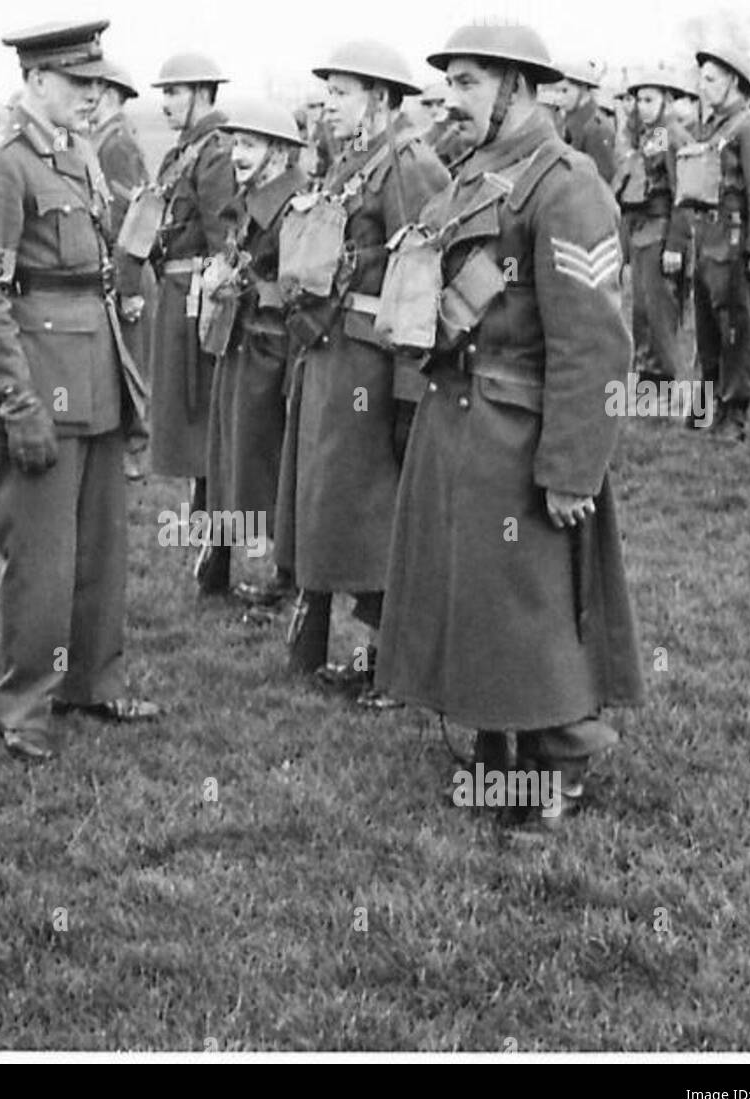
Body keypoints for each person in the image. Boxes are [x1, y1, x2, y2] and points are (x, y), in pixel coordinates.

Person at [376, 22, 645, 831]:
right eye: (449, 82)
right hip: (455, 419)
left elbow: (594, 343)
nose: (449, 99)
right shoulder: (468, 177)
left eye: (466, 82)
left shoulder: (567, 183)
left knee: (529, 608)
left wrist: (572, 467)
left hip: (520, 433)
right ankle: (500, 747)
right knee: (475, 598)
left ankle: (562, 759)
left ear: (517, 89)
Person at [0, 21, 157, 765]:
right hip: (42, 378)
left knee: (101, 543)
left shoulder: (76, 158)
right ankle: (25, 702)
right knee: (42, 554)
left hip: (97, 372)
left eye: (98, 84)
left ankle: (91, 680)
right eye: (80, 84)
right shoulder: (1, 167)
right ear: (37, 82)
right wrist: (18, 401)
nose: (93, 96)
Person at [275, 39, 449, 702]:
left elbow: (421, 283)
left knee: (378, 517)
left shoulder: (410, 165)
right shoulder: (352, 161)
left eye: (341, 92)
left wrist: (409, 397)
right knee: (332, 504)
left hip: (375, 369)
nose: (328, 103)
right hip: (329, 354)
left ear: (378, 97)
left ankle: (394, 662)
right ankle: (347, 642)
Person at [199, 99, 307, 608]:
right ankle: (233, 552)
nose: (238, 154)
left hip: (275, 348)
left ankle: (282, 573)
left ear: (281, 153)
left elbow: (303, 286)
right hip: (240, 341)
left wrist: (245, 288)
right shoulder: (250, 200)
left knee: (270, 459)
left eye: (250, 144)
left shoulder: (296, 206)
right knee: (234, 452)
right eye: (235, 143)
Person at [147, 53, 238, 593]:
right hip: (178, 297)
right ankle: (206, 545)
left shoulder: (215, 152)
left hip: (201, 304)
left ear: (202, 92)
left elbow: (225, 242)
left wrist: (212, 311)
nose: (165, 102)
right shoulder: (187, 150)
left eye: (175, 92)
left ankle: (217, 552)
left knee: (210, 431)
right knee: (196, 430)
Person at [676, 45, 750, 442]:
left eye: (712, 80)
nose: (703, 88)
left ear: (735, 81)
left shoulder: (748, 127)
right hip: (707, 241)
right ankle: (708, 405)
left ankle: (735, 413)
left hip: (734, 245)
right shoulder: (717, 127)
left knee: (736, 328)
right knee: (708, 328)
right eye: (701, 80)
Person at [90, 59, 156, 476]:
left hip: (127, 267)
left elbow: (133, 219)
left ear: (110, 94)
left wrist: (129, 285)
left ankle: (134, 453)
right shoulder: (109, 138)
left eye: (92, 90)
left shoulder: (116, 144)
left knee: (131, 364)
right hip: (119, 266)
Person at [616, 65, 693, 386]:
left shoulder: (673, 137)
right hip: (641, 229)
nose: (642, 106)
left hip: (661, 230)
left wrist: (675, 245)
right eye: (639, 99)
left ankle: (670, 382)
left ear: (667, 100)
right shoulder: (650, 135)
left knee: (660, 311)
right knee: (643, 310)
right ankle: (648, 378)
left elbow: (684, 195)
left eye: (649, 99)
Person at [553, 58, 617, 184]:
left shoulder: (597, 129)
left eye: (565, 91)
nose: (558, 98)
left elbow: (603, 179)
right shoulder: (567, 122)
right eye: (557, 91)